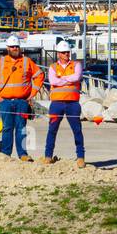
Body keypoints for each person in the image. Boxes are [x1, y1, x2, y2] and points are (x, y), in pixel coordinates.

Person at [0, 36, 44, 162]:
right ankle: (6, 154)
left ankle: (23, 154)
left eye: (17, 46)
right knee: (7, 128)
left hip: (22, 102)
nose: (15, 49)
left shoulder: (26, 61)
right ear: (7, 48)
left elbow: (39, 75)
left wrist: (31, 94)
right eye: (12, 47)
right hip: (5, 102)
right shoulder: (2, 62)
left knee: (21, 128)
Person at [42, 40, 86, 168]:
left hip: (73, 103)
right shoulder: (53, 67)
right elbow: (52, 81)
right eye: (63, 52)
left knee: (77, 130)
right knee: (52, 130)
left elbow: (76, 77)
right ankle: (48, 156)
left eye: (67, 52)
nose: (66, 54)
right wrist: (67, 79)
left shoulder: (76, 64)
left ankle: (80, 157)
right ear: (58, 54)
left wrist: (61, 79)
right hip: (57, 104)